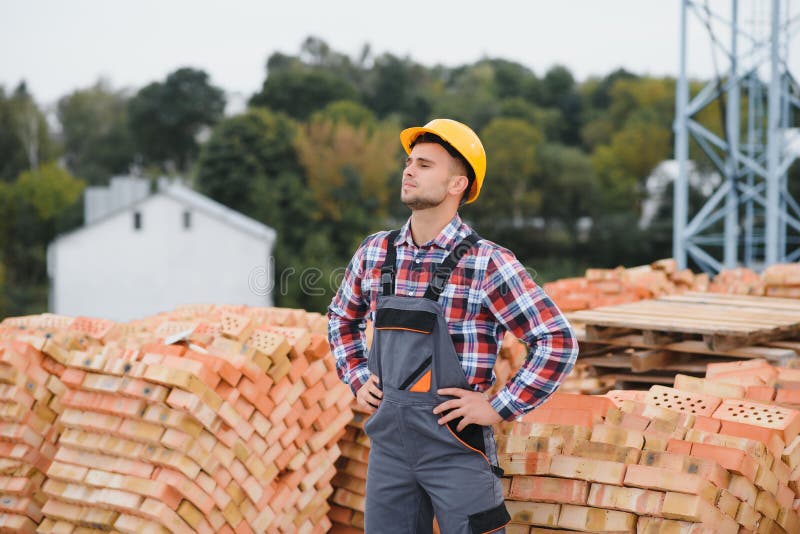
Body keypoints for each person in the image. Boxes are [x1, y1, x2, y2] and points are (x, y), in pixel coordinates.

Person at [327, 118, 578, 534]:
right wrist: (356, 376)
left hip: (457, 451)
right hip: (389, 450)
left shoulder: (486, 262)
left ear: (457, 185)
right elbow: (341, 318)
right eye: (409, 162)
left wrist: (498, 406)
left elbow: (557, 341)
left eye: (424, 165)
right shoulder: (374, 252)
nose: (408, 170)